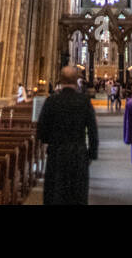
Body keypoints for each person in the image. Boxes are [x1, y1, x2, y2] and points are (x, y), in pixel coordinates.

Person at [37, 66, 99, 204]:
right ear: (76, 80)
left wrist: (51, 143)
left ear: (61, 80)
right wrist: (90, 155)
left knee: (56, 194)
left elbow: (41, 131)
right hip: (78, 155)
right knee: (77, 195)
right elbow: (93, 131)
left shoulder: (51, 101)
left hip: (57, 155)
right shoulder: (84, 101)